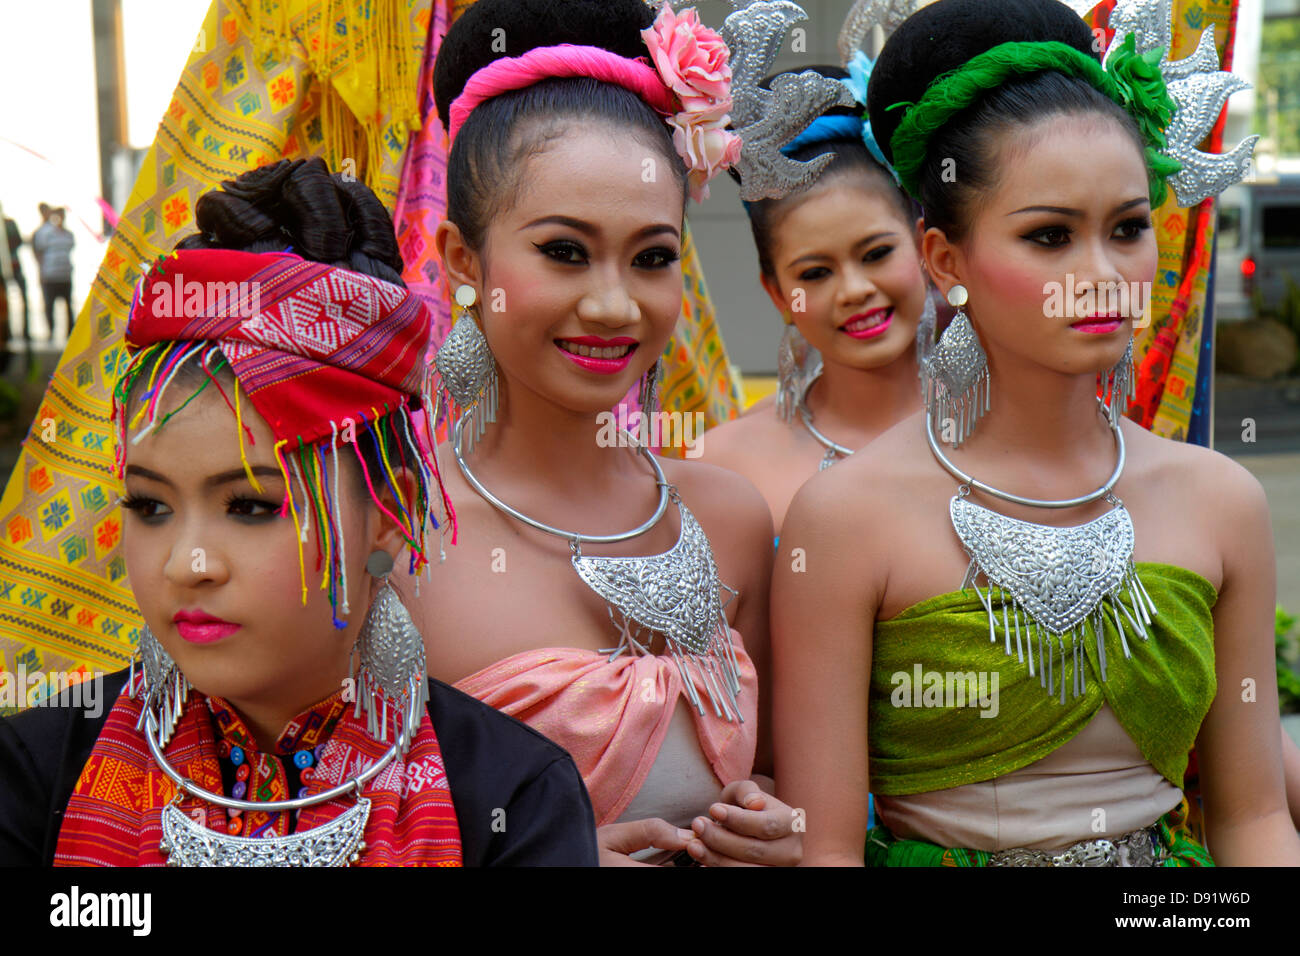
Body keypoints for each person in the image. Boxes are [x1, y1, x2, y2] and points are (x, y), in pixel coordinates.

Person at [773, 0, 1300, 866]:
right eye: (1050, 236)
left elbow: (1251, 821)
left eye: (1128, 229)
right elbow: (824, 849)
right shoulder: (843, 517)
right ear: (947, 261)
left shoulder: (1220, 501)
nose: (1102, 276)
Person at [0, 159, 599, 867]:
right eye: (150, 505)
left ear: (390, 508)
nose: (186, 563)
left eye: (250, 506)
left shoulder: (509, 798)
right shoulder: (33, 775)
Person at [411, 0, 800, 866]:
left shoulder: (731, 520)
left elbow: (778, 779)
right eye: (564, 251)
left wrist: (775, 832)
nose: (616, 305)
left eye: (652, 257)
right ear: (465, 263)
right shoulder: (393, 530)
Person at [700, 61, 931, 535]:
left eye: (877, 253)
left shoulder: (1009, 424)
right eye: (817, 273)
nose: (854, 291)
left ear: (926, 248)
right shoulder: (722, 466)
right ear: (777, 293)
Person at [32, 206, 75, 342]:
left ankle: (70, 333)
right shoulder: (45, 233)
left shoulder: (69, 235)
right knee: (49, 305)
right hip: (50, 274)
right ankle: (51, 332)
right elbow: (39, 253)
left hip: (65, 274)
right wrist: (41, 272)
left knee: (68, 304)